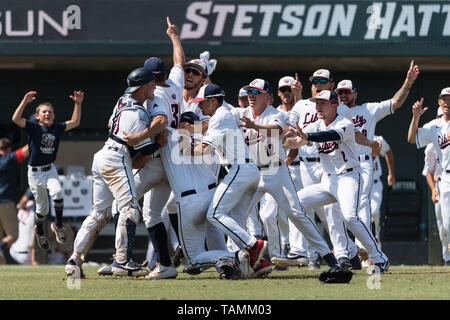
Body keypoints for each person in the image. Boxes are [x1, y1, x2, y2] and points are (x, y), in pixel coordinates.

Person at [233, 79, 352, 280]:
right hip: (253, 172)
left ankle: (330, 260)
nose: (251, 95)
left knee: (297, 213)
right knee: (237, 215)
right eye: (248, 91)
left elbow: (277, 130)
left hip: (276, 172)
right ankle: (239, 259)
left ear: (268, 96)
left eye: (256, 91)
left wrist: (255, 125)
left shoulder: (276, 113)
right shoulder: (241, 114)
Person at [65, 67, 166, 278]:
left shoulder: (121, 101)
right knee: (130, 208)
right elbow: (143, 156)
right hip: (117, 157)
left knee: (99, 213)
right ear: (144, 86)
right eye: (151, 84)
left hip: (102, 155)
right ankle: (122, 261)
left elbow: (110, 124)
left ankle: (75, 259)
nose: (154, 87)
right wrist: (158, 145)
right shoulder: (139, 113)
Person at [284, 90, 390, 274]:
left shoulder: (345, 123)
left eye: (323, 102)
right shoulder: (315, 124)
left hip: (349, 177)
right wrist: (284, 139)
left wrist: (306, 136)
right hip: (329, 180)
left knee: (350, 217)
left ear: (335, 105)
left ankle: (379, 257)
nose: (318, 106)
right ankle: (324, 251)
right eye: (316, 103)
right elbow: (296, 143)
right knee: (294, 203)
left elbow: (328, 135)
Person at [335, 60, 420, 260]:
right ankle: (345, 250)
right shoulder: (333, 114)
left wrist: (408, 81)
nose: (344, 95)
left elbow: (395, 102)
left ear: (355, 94)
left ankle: (363, 246)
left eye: (347, 92)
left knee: (362, 203)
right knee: (338, 209)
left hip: (363, 162)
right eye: (340, 92)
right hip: (340, 164)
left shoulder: (368, 110)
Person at [283, 69, 366, 270]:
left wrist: (370, 144)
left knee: (332, 213)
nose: (318, 84)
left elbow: (351, 134)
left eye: (322, 81)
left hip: (329, 163)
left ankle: (345, 254)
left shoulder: (340, 108)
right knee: (300, 206)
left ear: (331, 84)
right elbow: (291, 129)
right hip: (306, 163)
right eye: (315, 81)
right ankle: (300, 251)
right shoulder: (302, 105)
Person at [184, 83, 270, 277]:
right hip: (247, 170)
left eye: (203, 103)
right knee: (235, 220)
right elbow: (207, 129)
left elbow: (205, 149)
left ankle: (253, 245)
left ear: (213, 100)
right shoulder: (223, 113)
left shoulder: (220, 115)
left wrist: (183, 149)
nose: (199, 107)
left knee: (213, 214)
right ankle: (259, 263)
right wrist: (192, 129)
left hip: (239, 169)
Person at [159, 111, 252, 279]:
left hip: (189, 201)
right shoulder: (206, 140)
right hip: (210, 196)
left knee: (193, 260)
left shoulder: (168, 134)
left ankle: (235, 256)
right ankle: (231, 266)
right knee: (214, 237)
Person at [11, 89, 84, 250]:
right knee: (42, 209)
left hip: (49, 169)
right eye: (44, 112)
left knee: (57, 193)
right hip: (35, 173)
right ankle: (39, 229)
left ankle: (57, 225)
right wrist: (24, 101)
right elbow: (15, 119)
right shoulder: (33, 127)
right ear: (37, 116)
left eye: (50, 112)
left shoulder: (56, 128)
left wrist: (78, 104)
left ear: (53, 116)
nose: (47, 114)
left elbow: (75, 122)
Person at [407, 88, 450, 266]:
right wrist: (416, 116)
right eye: (444, 99)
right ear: (439, 102)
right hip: (446, 179)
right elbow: (411, 138)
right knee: (446, 226)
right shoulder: (435, 126)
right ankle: (447, 258)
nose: (447, 102)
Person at [0, 139, 29, 263]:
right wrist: (37, 134)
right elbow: (25, 151)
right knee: (13, 235)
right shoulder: (8, 158)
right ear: (9, 149)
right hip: (5, 202)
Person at [371, 135, 395, 245]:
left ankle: (376, 238)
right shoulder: (353, 140)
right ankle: (362, 251)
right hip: (359, 185)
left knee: (374, 212)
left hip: (375, 183)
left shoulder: (377, 139)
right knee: (361, 217)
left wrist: (391, 173)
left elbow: (388, 151)